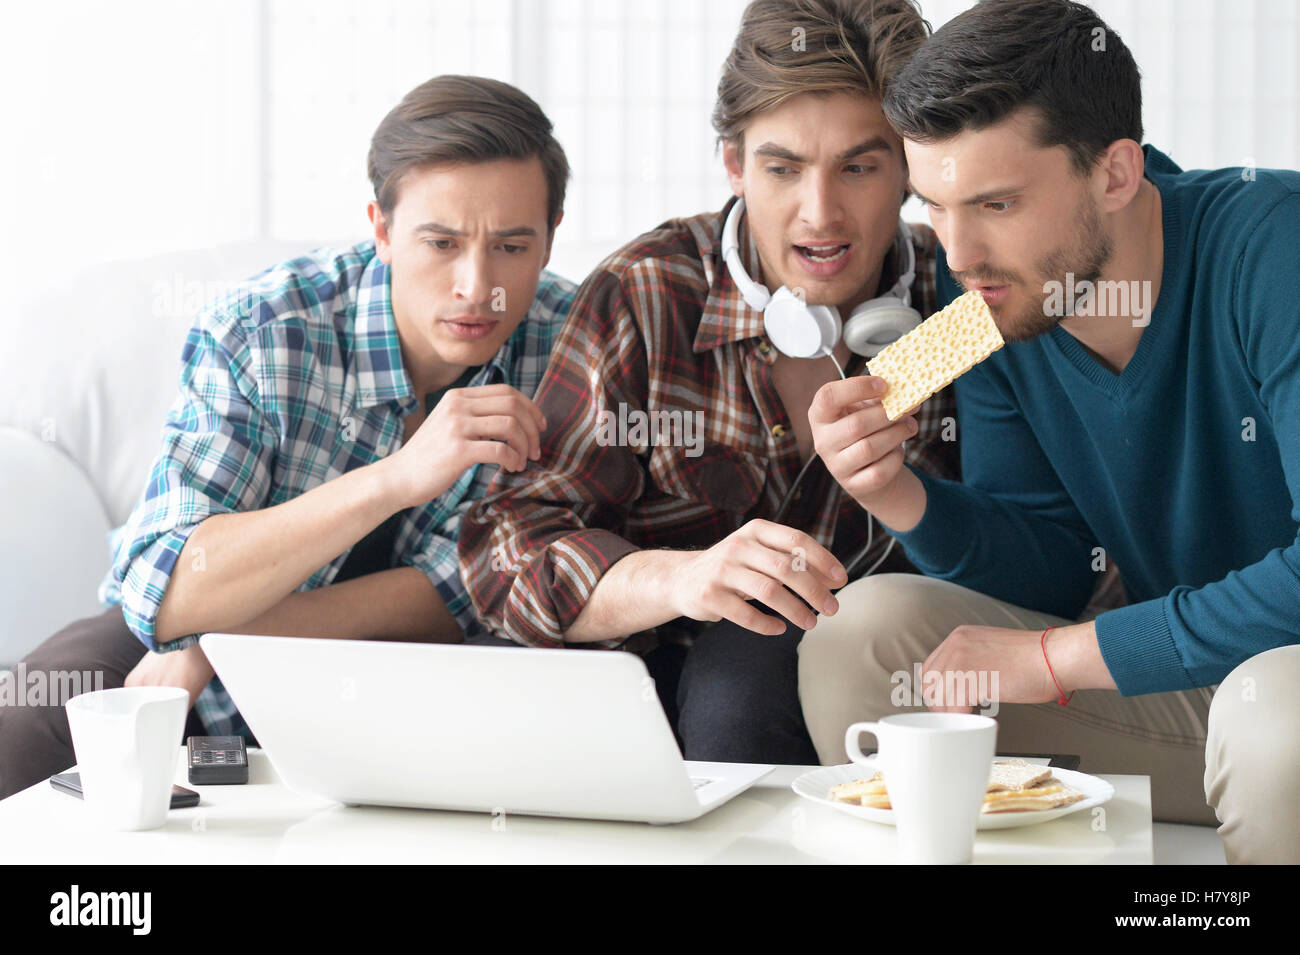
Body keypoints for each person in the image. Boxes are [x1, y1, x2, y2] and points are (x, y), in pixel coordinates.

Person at [799, 0, 1300, 863]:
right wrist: (901, 494)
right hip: (1187, 691)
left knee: (1276, 714)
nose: (958, 253)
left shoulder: (1273, 246)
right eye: (936, 206)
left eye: (995, 203)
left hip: (1280, 702)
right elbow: (1057, 571)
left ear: (1114, 174)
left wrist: (1056, 660)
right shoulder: (991, 305)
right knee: (860, 638)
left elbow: (1059, 638)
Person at [0, 75, 574, 800]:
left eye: (512, 247)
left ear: (552, 236)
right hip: (184, 638)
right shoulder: (261, 331)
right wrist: (397, 475)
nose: (475, 285)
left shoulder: (572, 345)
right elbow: (167, 587)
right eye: (441, 242)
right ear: (382, 229)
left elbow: (466, 590)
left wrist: (223, 640)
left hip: (415, 662)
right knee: (23, 726)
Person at [459, 0, 963, 764]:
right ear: (733, 163)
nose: (819, 214)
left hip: (882, 693)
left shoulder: (953, 306)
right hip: (660, 680)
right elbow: (506, 551)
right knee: (732, 676)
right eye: (782, 167)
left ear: (909, 167)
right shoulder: (649, 292)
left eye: (859, 166)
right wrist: (681, 578)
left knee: (751, 674)